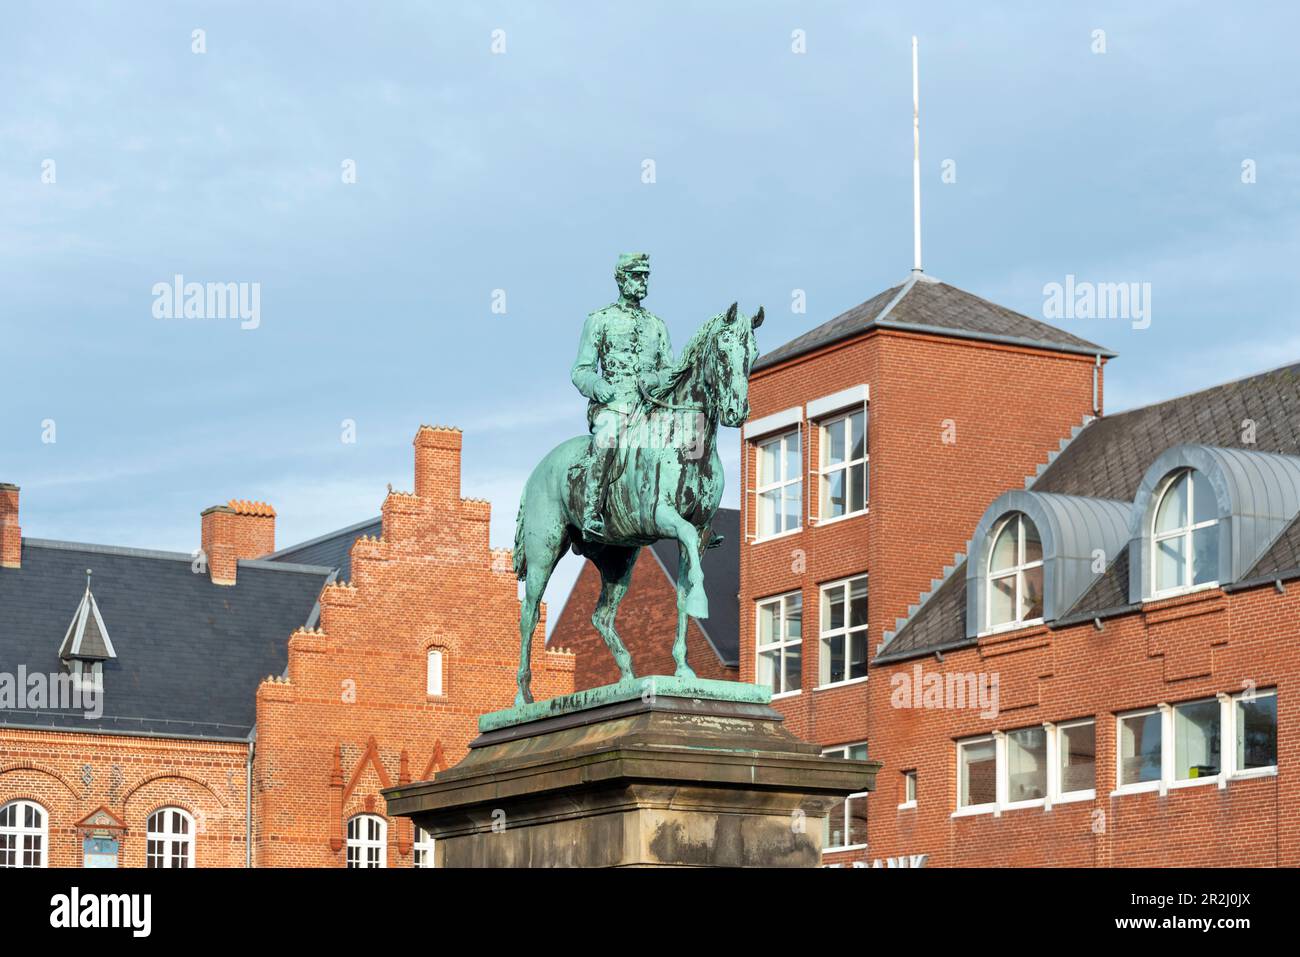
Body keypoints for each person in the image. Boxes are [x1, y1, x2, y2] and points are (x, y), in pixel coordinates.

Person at [569, 252, 674, 539]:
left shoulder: (657, 325)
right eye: (637, 275)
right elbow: (580, 370)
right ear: (621, 279)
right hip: (613, 405)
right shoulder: (600, 320)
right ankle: (591, 511)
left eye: (645, 276)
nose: (643, 282)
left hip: (650, 407)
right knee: (608, 438)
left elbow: (671, 371)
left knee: (691, 437)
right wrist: (597, 385)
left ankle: (696, 511)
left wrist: (654, 379)